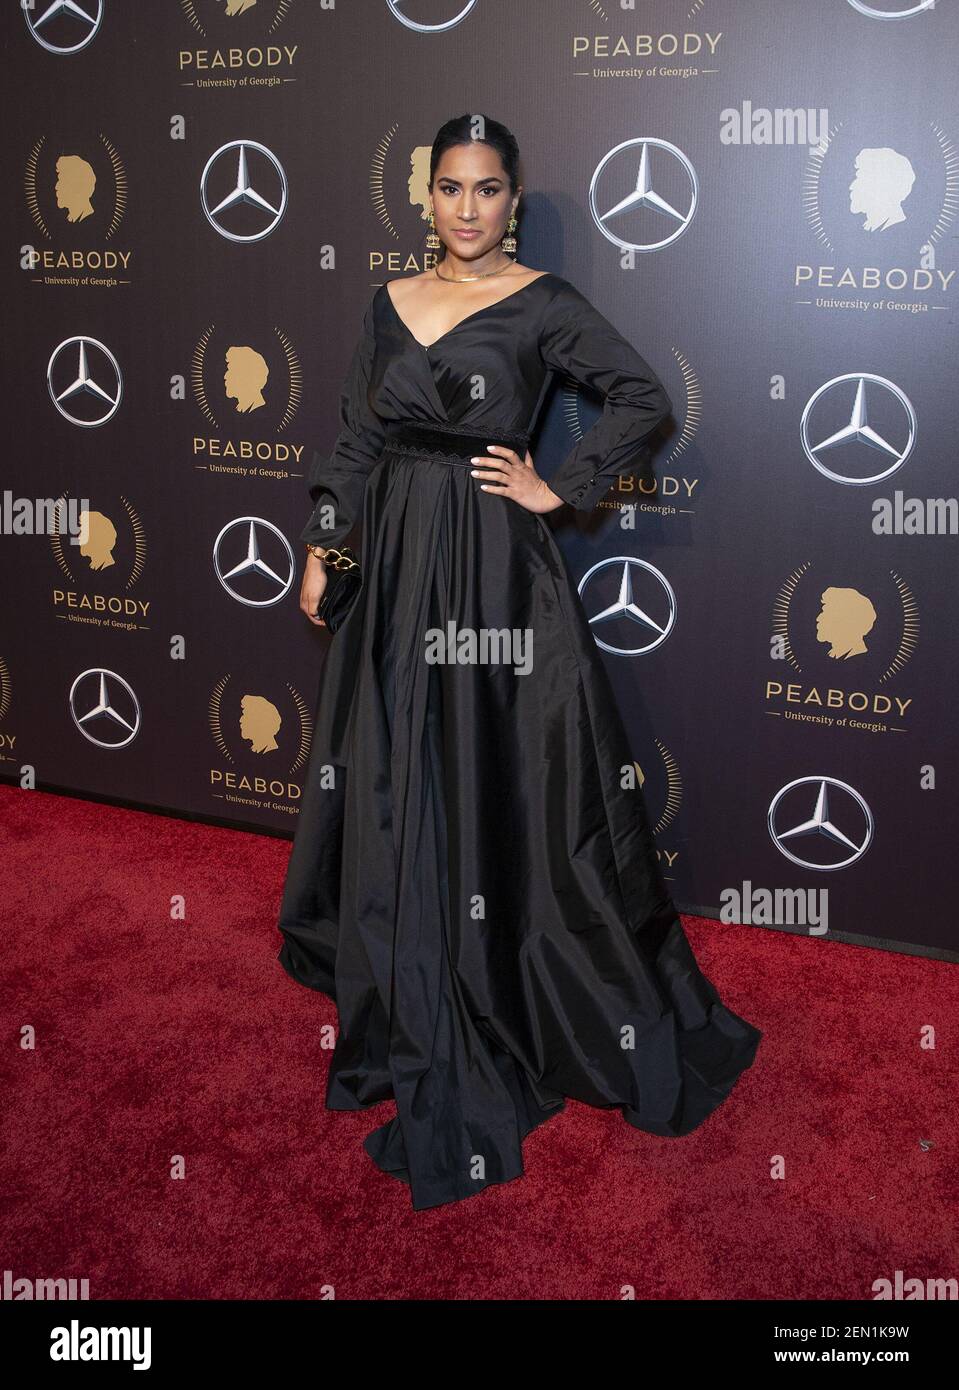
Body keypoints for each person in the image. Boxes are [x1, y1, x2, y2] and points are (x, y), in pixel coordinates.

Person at [276, 113, 762, 1212]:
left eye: (487, 190)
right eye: (448, 187)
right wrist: (323, 545)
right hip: (392, 559)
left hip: (490, 565)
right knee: (393, 762)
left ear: (512, 200)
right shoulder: (386, 302)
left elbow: (646, 398)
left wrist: (563, 480)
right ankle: (402, 952)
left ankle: (493, 974)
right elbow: (353, 435)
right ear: (424, 196)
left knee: (488, 769)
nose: (465, 208)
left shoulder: (544, 304)